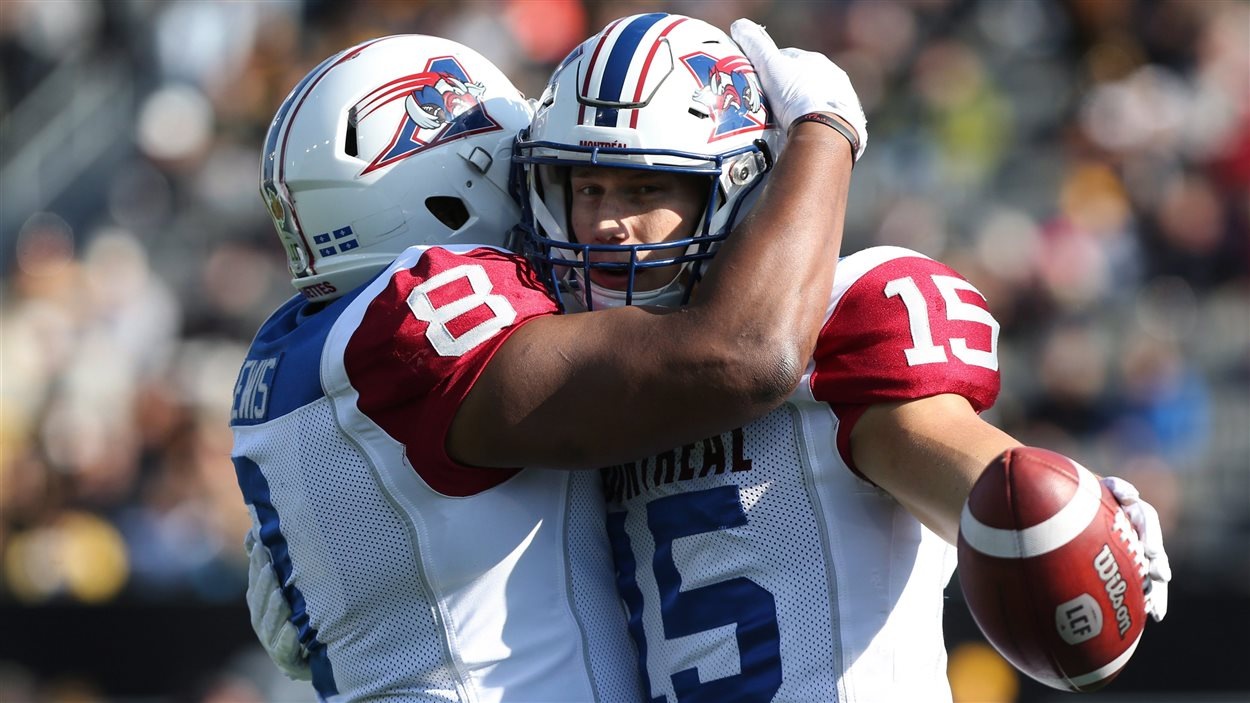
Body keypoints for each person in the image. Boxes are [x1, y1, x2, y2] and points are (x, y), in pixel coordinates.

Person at [507, 15, 1173, 702]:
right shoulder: (590, 367)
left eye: (646, 189)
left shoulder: (842, 320)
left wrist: (1057, 517)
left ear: (738, 184)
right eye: (586, 187)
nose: (606, 221)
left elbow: (961, 476)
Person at [233, 24, 861, 703]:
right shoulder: (415, 315)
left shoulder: (294, 342)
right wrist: (824, 130)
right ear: (449, 190)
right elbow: (744, 356)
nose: (570, 210)